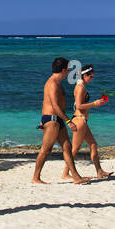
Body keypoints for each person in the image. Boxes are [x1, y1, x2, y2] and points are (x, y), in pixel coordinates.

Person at [33, 57, 88, 185]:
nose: (69, 71)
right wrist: (69, 121)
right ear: (63, 70)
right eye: (68, 69)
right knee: (46, 149)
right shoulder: (52, 83)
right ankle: (36, 177)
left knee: (67, 147)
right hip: (52, 119)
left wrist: (42, 120)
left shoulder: (57, 82)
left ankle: (76, 177)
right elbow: (54, 106)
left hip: (57, 119)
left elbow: (43, 102)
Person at [66, 63, 111, 179]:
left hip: (83, 121)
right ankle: (65, 173)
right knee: (75, 149)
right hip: (79, 120)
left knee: (93, 145)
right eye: (90, 77)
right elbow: (79, 106)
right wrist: (95, 104)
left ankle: (99, 171)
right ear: (84, 75)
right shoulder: (80, 88)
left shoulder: (81, 86)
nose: (91, 79)